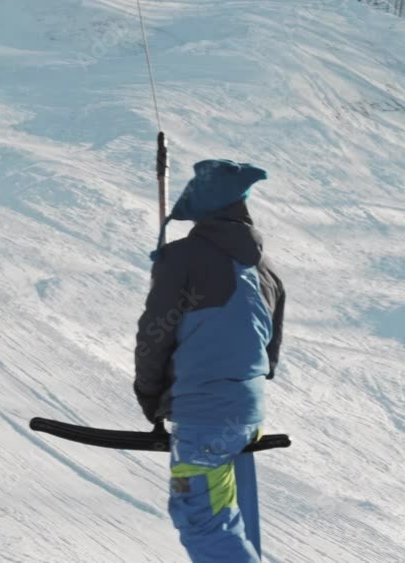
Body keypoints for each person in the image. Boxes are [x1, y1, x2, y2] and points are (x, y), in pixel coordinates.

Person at [133, 159, 285, 563]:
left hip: (206, 417)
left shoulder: (181, 258)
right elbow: (270, 357)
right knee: (230, 509)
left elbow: (155, 334)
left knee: (202, 517)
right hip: (247, 415)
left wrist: (150, 395)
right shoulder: (266, 269)